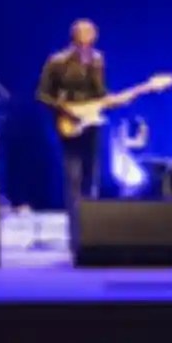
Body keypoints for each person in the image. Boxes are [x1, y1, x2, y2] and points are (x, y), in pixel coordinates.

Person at [37, 19, 112, 243]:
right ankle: (75, 233)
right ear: (75, 37)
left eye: (91, 35)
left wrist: (109, 101)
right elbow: (42, 94)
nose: (88, 40)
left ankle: (92, 230)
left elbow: (100, 93)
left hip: (92, 124)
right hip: (68, 124)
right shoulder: (58, 62)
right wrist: (66, 110)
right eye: (84, 35)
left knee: (92, 176)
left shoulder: (98, 61)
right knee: (73, 177)